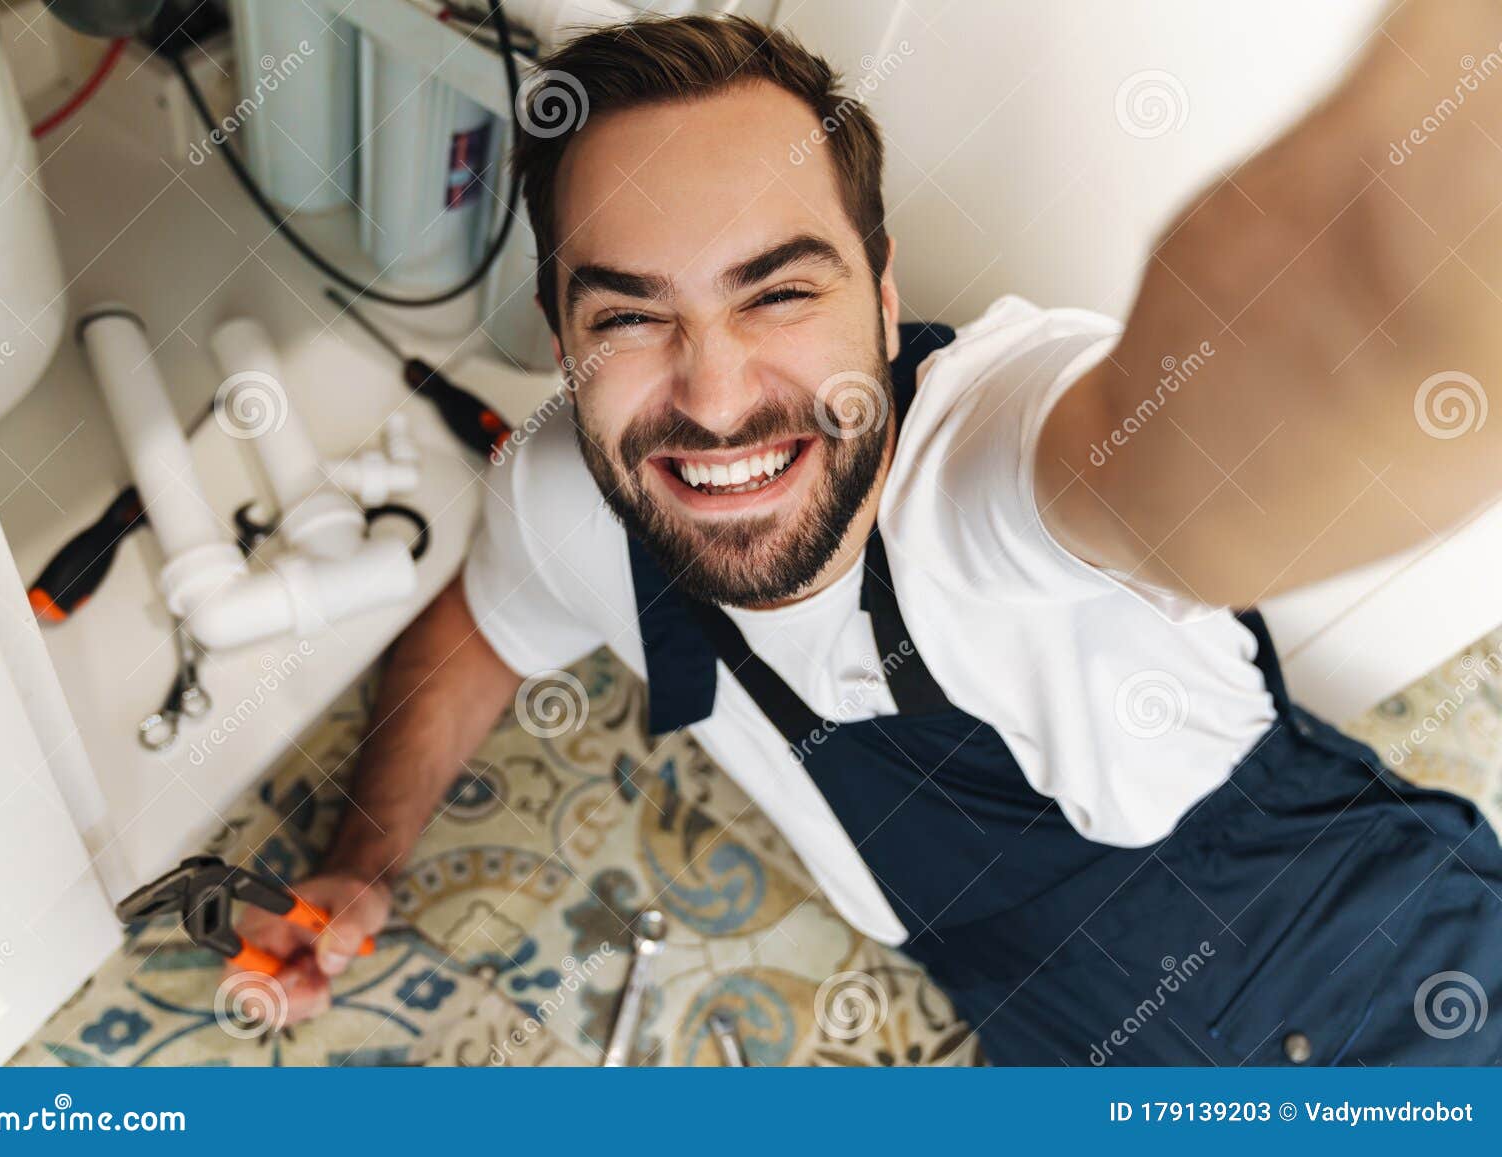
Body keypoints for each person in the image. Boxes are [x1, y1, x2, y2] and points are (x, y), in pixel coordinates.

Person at [237, 4, 1502, 1064]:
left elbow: (1234, 412)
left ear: (884, 294)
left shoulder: (985, 478)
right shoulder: (562, 488)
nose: (717, 395)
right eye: (628, 316)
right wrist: (368, 857)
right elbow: (479, 628)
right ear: (561, 335)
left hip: (1351, 974)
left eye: (779, 291)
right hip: (1046, 1023)